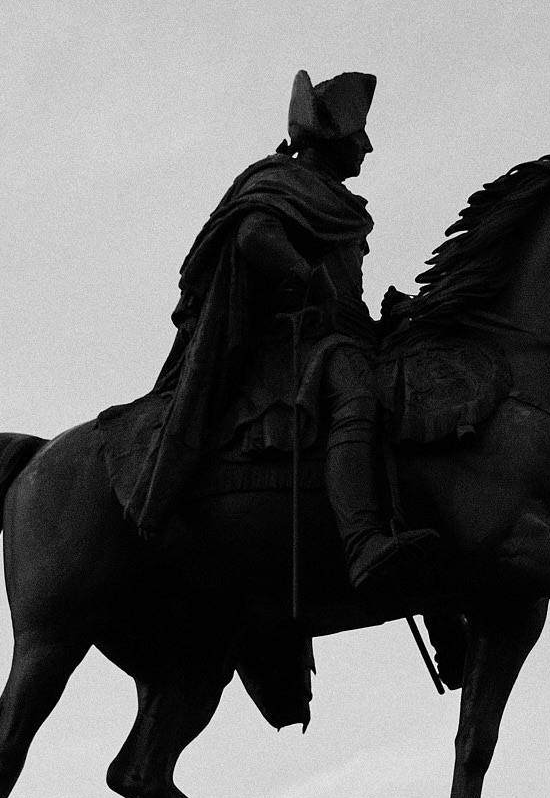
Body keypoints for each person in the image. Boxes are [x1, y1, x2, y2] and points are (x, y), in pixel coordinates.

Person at [134, 71, 438, 590]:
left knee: (417, 395)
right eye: (357, 134)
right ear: (331, 139)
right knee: (355, 391)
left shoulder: (334, 200)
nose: (366, 146)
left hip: (343, 333)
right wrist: (309, 281)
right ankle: (362, 542)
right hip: (289, 343)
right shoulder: (280, 181)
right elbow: (256, 235)